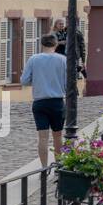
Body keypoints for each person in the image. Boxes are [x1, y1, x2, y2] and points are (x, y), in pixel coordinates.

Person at [21, 33, 67, 168]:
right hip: (57, 101)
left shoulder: (34, 59)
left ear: (41, 44)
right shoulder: (62, 60)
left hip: (40, 102)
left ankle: (44, 167)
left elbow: (24, 80)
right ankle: (59, 165)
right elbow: (68, 81)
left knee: (42, 137)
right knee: (58, 136)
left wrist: (37, 82)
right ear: (56, 44)